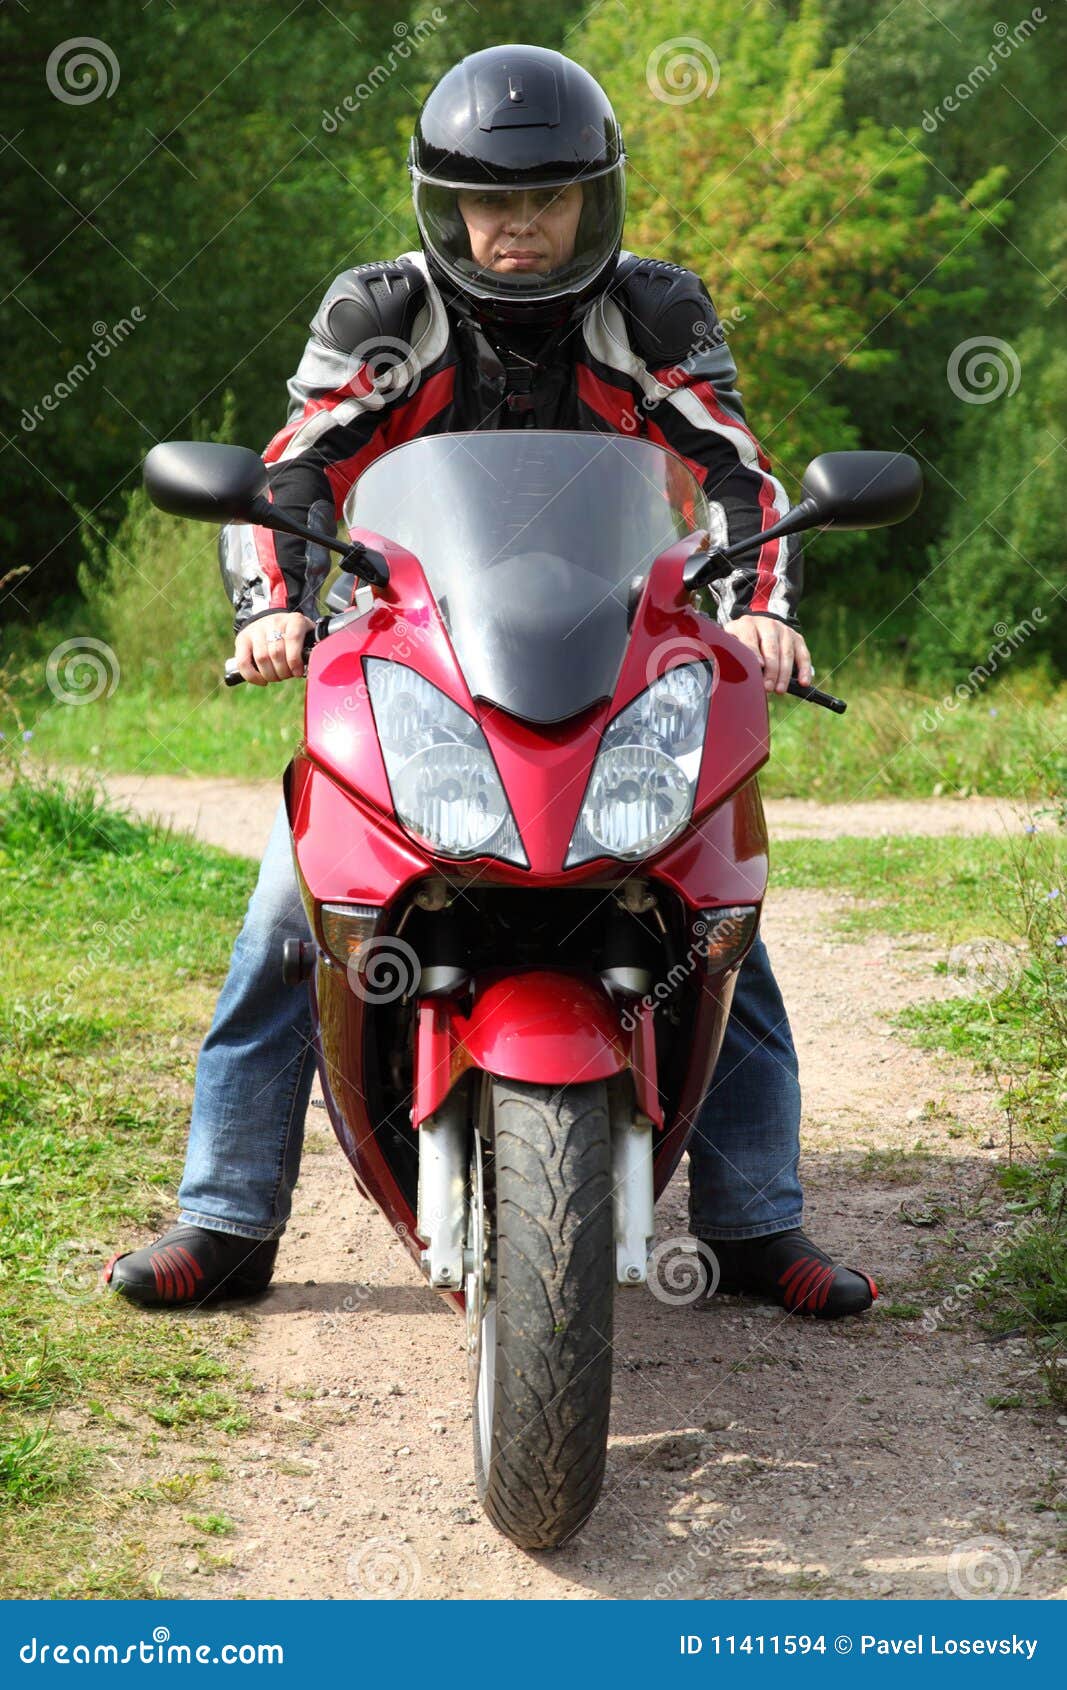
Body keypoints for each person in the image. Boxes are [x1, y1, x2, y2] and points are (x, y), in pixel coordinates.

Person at [106, 45, 876, 1320]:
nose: (516, 227)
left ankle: (750, 1218)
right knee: (294, 917)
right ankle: (228, 1213)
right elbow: (288, 475)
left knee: (710, 910)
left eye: (547, 198)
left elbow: (742, 476)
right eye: (489, 202)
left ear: (595, 197)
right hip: (413, 653)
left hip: (614, 647)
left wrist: (763, 613)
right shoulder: (379, 313)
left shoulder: (656, 311)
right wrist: (279, 611)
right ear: (444, 203)